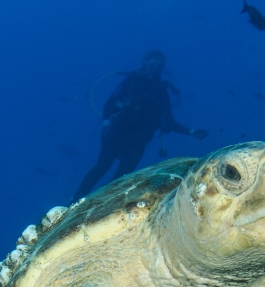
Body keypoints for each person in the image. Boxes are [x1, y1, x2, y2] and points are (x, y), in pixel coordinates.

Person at [72, 50, 207, 202]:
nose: (155, 68)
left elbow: (170, 123)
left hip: (138, 141)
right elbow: (109, 105)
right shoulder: (131, 81)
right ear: (144, 63)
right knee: (101, 168)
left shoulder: (161, 91)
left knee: (120, 180)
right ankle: (73, 203)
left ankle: (98, 208)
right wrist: (106, 125)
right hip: (116, 134)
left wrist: (191, 131)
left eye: (159, 66)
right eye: (152, 64)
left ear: (163, 68)